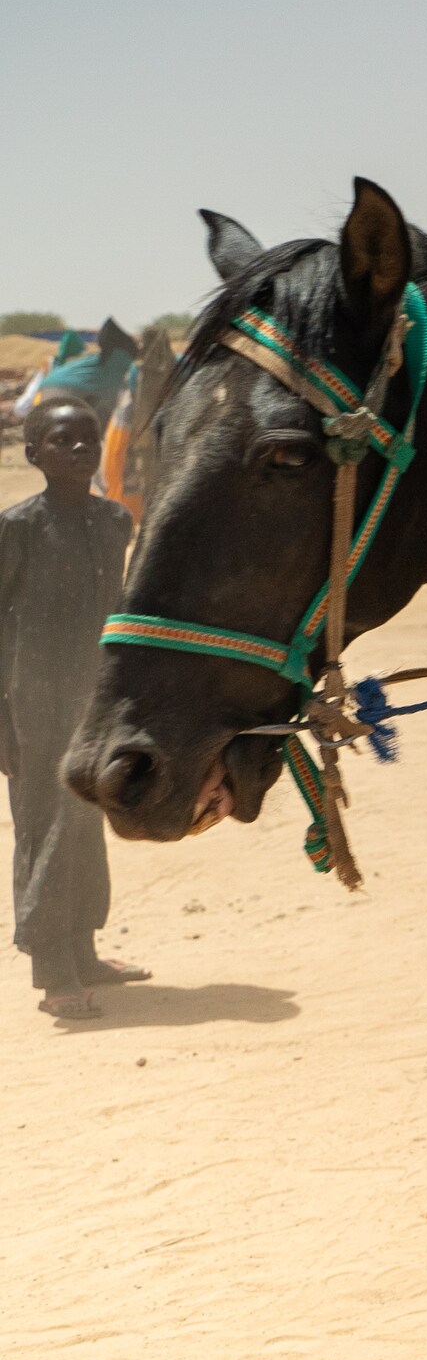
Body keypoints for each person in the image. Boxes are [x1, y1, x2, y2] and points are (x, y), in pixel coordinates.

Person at [3, 397, 147, 1019]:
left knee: (89, 818)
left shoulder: (115, 522)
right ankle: (53, 969)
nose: (82, 450)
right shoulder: (17, 527)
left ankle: (85, 949)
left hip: (98, 695)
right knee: (46, 825)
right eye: (64, 441)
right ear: (34, 453)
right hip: (32, 701)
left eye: (90, 439)